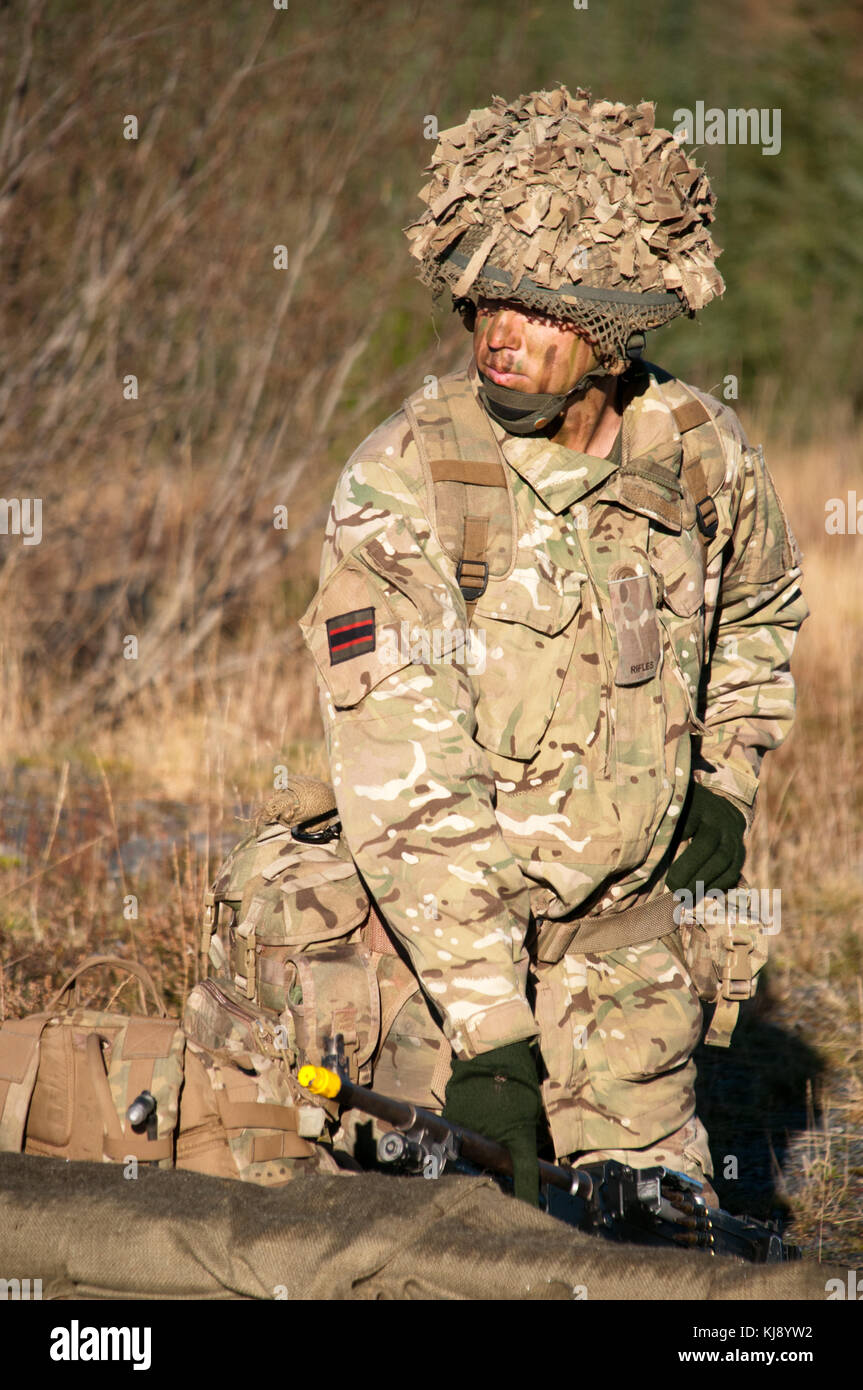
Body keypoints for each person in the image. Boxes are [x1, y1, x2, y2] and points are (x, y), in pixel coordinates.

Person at [299, 85, 808, 1205]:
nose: (500, 334)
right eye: (485, 298)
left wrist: (722, 781)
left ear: (613, 335)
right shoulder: (407, 482)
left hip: (630, 971)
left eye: (537, 308)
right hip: (441, 973)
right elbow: (405, 785)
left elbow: (759, 614)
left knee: (662, 1250)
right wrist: (487, 1038)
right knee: (443, 1256)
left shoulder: (698, 450)